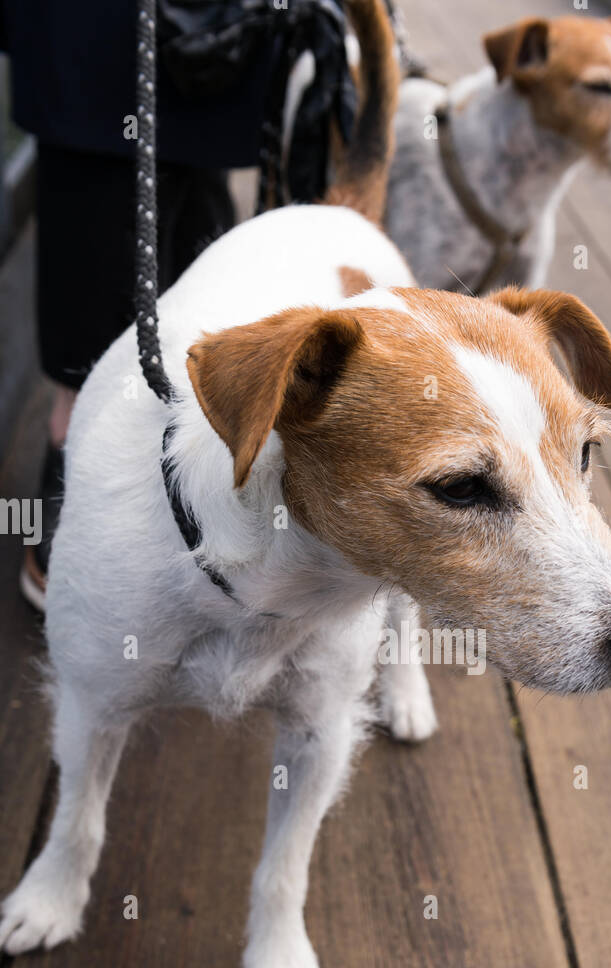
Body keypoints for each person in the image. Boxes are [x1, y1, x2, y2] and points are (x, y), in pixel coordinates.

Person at [0, 0, 355, 608]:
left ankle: (193, 441)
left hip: (217, 37)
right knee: (94, 195)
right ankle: (73, 424)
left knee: (198, 214)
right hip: (96, 43)